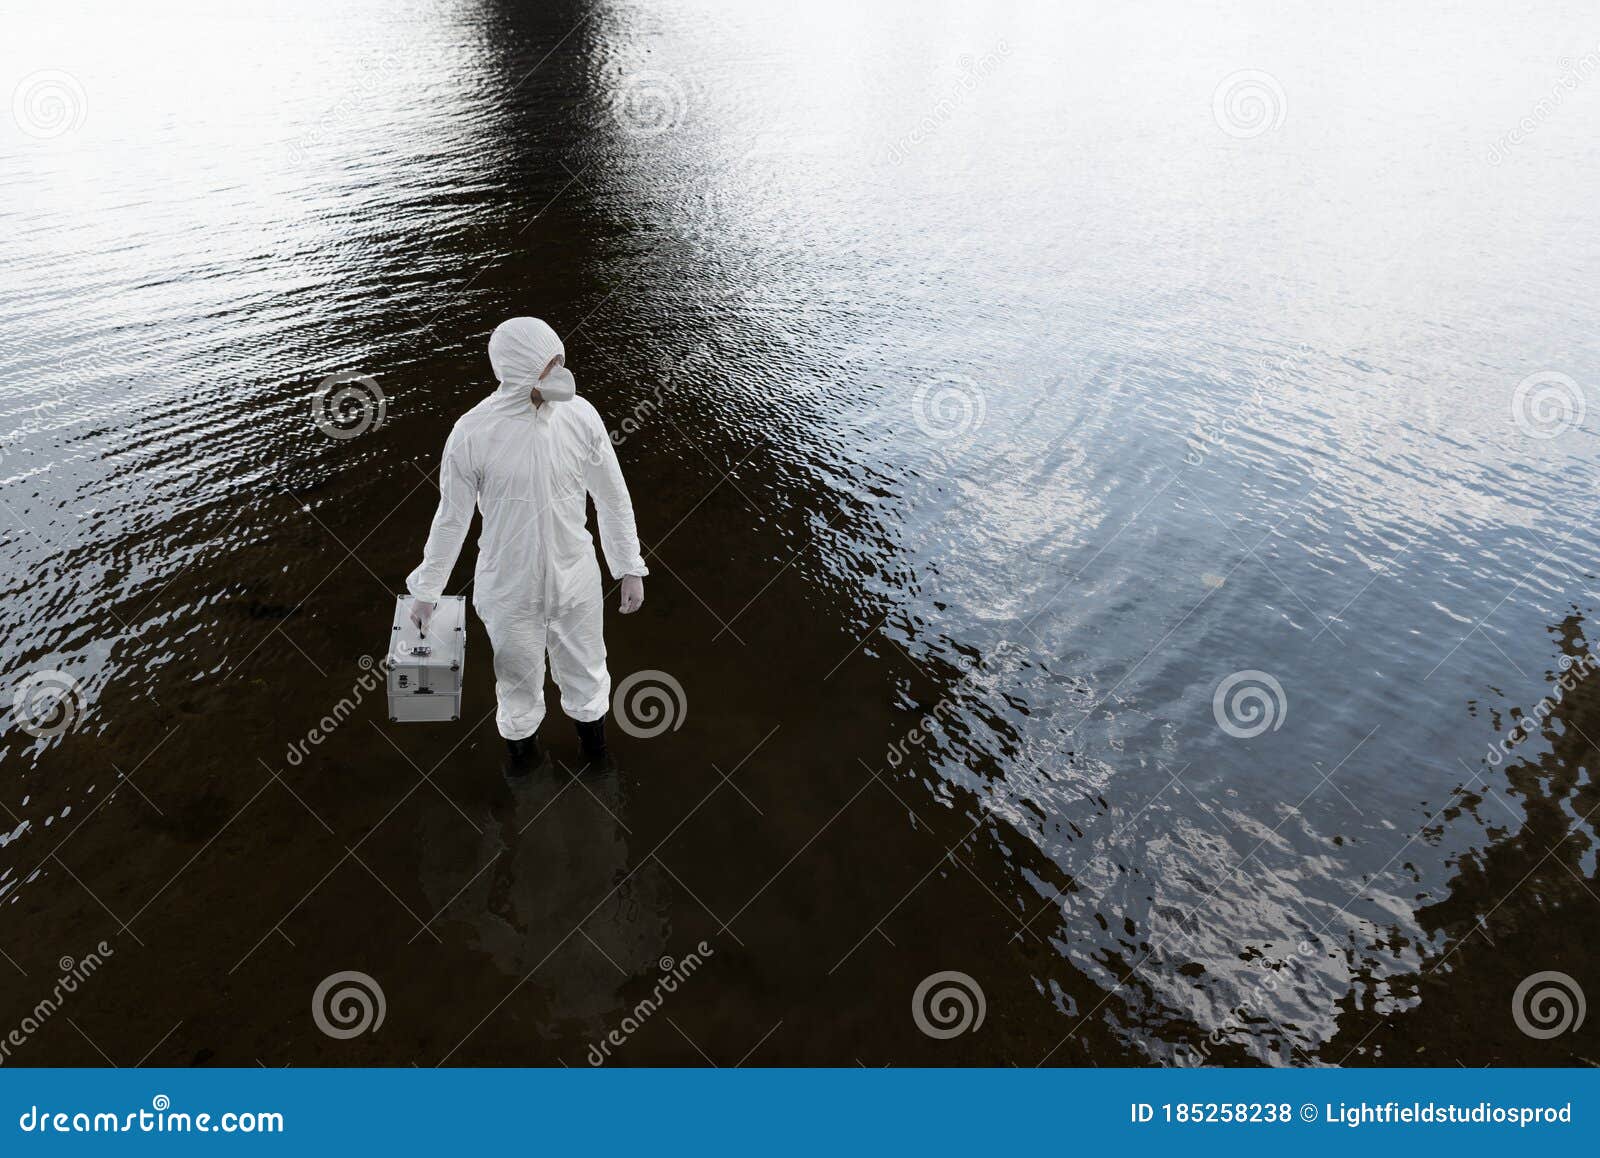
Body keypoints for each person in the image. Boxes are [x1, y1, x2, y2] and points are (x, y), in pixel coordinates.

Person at [405, 317, 647, 776]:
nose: (561, 374)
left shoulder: (580, 417)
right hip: (509, 589)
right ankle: (526, 772)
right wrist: (427, 590)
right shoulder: (472, 433)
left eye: (560, 361)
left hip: (576, 580)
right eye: (549, 365)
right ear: (519, 368)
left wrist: (628, 565)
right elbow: (451, 519)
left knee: (589, 675)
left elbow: (612, 496)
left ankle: (596, 762)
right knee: (517, 687)